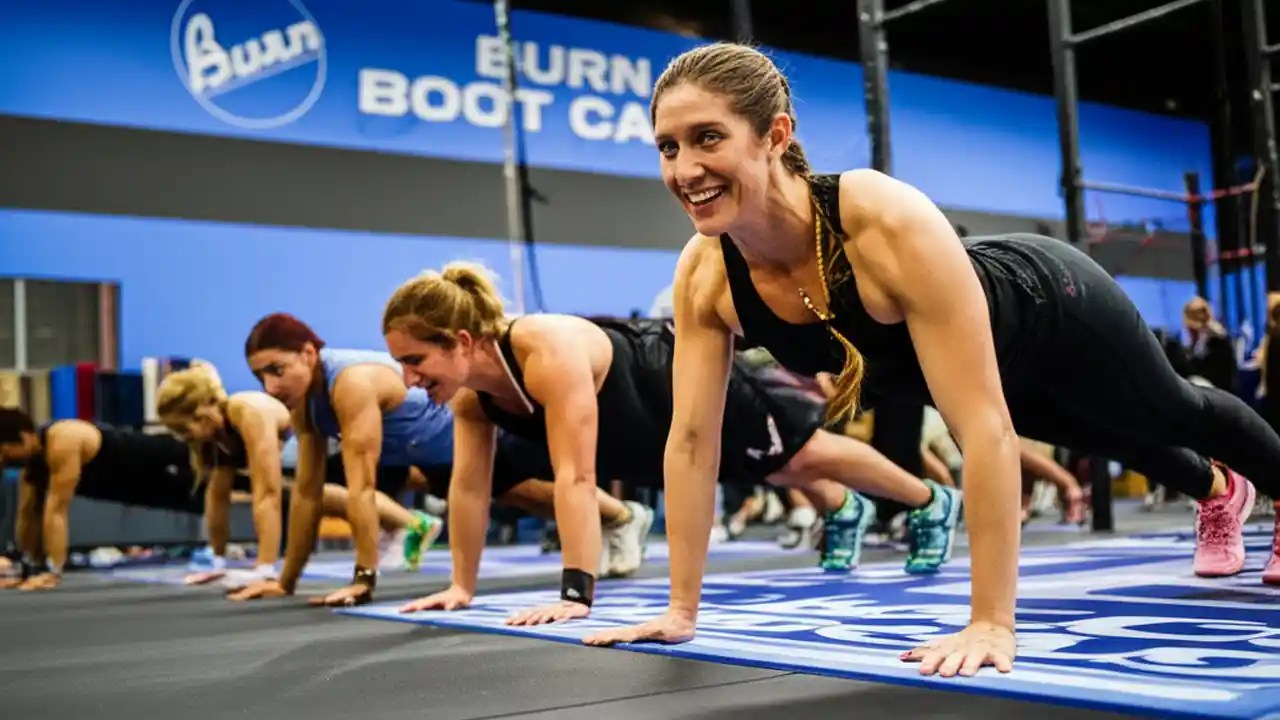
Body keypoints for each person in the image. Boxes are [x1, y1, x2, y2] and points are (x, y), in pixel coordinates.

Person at [579, 42, 1280, 676]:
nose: (686, 169)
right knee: (1104, 434)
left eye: (708, 139)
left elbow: (983, 432)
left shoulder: (878, 218)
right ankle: (1219, 492)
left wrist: (991, 624)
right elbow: (694, 441)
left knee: (1167, 409)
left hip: (1052, 309)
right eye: (667, 148)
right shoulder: (706, 273)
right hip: (987, 362)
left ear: (775, 135)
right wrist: (681, 610)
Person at [381, 263, 959, 624]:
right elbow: (468, 488)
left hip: (666, 370)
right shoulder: (469, 398)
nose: (408, 379)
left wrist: (576, 595)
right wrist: (461, 587)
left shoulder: (543, 352)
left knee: (798, 456)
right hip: (635, 429)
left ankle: (930, 502)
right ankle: (846, 507)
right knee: (772, 471)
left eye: (415, 361)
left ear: (460, 340)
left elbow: (577, 479)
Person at [225, 313, 645, 607]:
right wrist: (285, 582)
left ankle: (623, 516)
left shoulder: (350, 385)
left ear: (308, 354)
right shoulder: (305, 408)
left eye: (276, 370)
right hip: (432, 458)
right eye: (260, 376)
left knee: (539, 484)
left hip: (478, 432)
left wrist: (363, 580)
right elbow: (307, 494)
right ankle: (620, 516)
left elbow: (362, 488)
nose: (270, 385)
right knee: (525, 497)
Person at [155, 363, 438, 587]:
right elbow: (217, 499)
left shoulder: (247, 411)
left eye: (183, 430)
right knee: (314, 493)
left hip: (340, 445)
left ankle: (413, 523)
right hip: (314, 456)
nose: (183, 438)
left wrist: (265, 569)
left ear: (201, 413)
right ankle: (404, 524)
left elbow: (268, 494)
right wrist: (216, 562)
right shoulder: (216, 440)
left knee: (318, 493)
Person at [0, 407, 200, 590]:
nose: (3, 461)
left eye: (4, 452)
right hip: (134, 488)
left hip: (161, 461)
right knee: (198, 503)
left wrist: (52, 572)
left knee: (216, 491)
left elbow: (57, 511)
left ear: (25, 437)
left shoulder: (63, 439)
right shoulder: (32, 465)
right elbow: (27, 516)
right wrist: (29, 569)